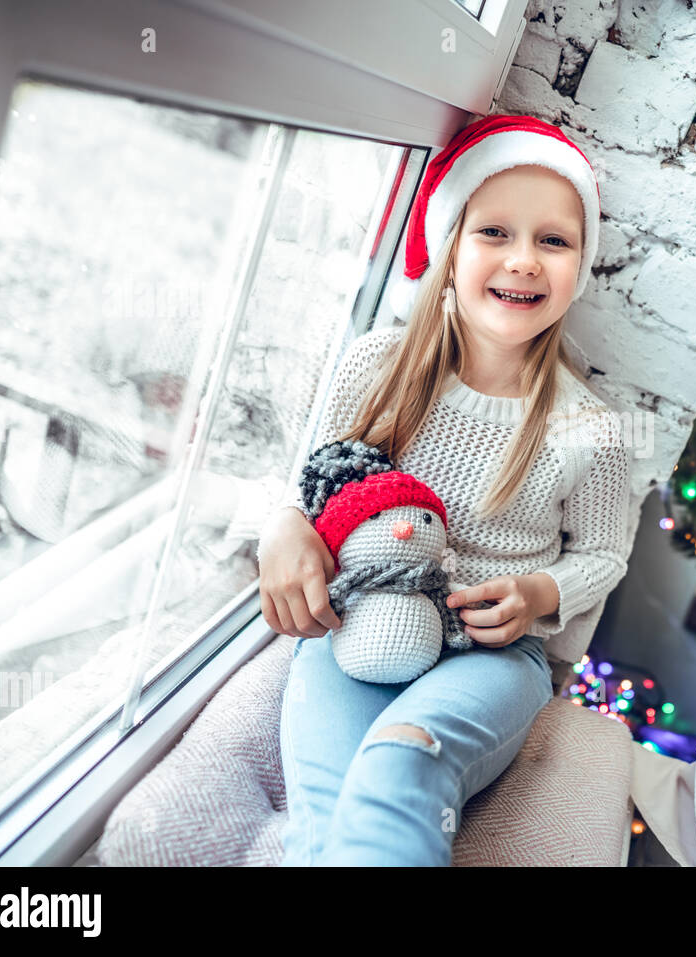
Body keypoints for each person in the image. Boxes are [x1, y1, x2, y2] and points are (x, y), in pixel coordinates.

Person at [256, 113, 632, 866]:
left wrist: (536, 590)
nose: (524, 259)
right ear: (452, 245)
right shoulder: (377, 366)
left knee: (401, 764)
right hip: (361, 613)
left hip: (492, 658)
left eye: (553, 240)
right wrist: (285, 526)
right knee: (325, 826)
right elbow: (307, 480)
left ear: (579, 266)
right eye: (495, 231)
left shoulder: (591, 427)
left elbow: (604, 554)